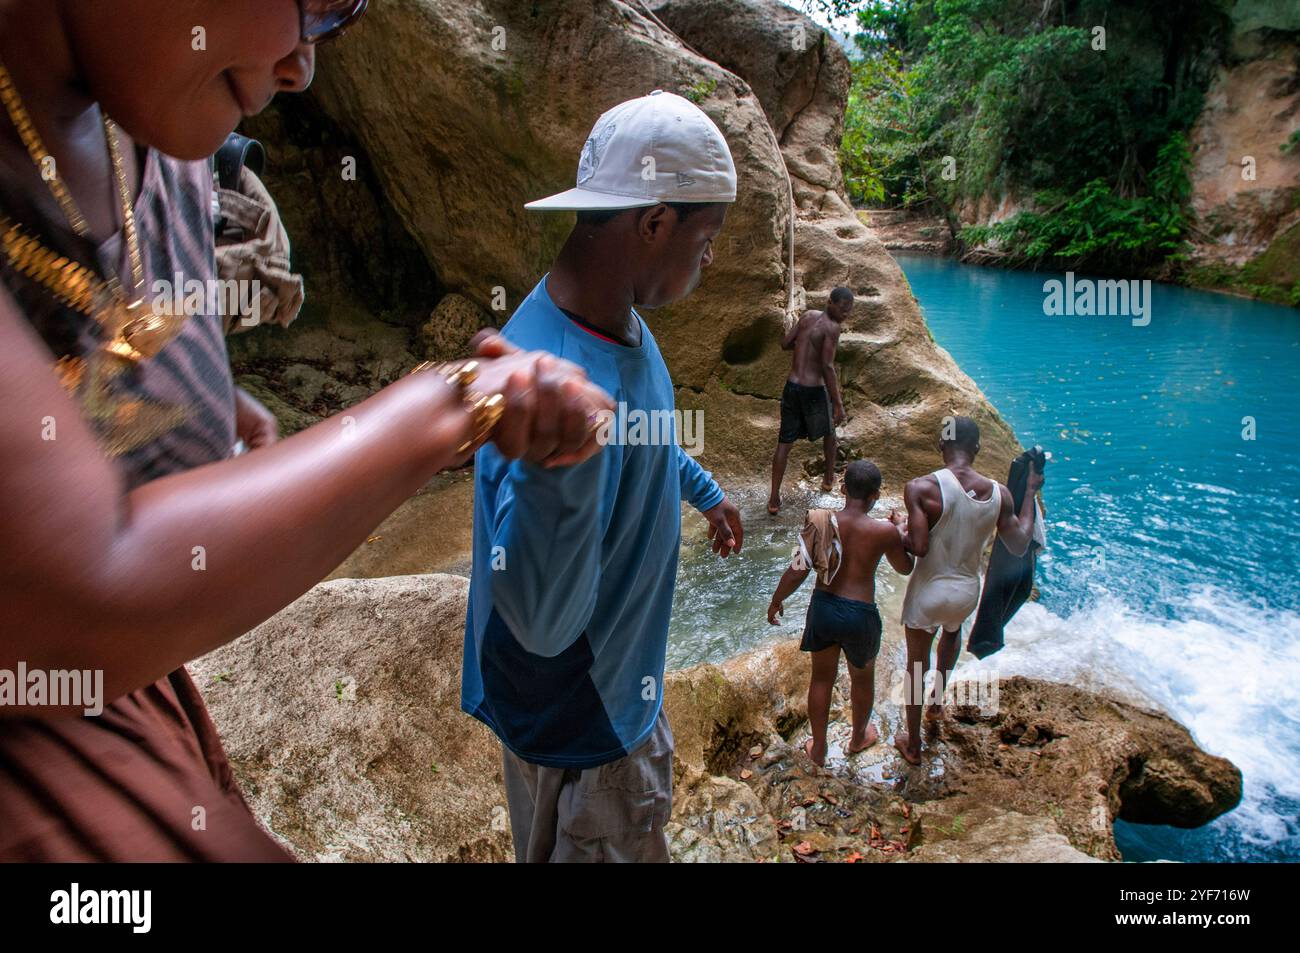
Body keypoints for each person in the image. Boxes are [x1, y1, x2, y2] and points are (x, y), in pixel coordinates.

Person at [0, 0, 611, 861]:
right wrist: (454, 401)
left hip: (136, 700)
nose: (303, 67)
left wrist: (205, 407)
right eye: (317, 4)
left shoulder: (151, 128)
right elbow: (80, 586)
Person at [462, 90, 745, 863]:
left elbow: (644, 439)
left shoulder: (612, 320)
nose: (709, 257)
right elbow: (542, 617)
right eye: (706, 236)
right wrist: (567, 469)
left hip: (582, 694)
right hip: (589, 713)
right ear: (653, 224)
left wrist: (703, 492)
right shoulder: (554, 388)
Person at [892, 416, 1043, 765]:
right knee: (952, 632)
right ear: (976, 448)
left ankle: (912, 744)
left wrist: (900, 526)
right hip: (966, 593)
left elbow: (918, 548)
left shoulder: (921, 488)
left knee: (916, 666)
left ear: (941, 446)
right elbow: (1020, 542)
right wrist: (1031, 493)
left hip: (928, 590)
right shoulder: (1000, 494)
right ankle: (937, 704)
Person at [766, 460, 913, 767]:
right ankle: (858, 737)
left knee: (821, 679)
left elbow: (798, 569)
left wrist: (777, 599)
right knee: (862, 679)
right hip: (861, 613)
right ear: (875, 495)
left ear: (843, 489)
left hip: (824, 608)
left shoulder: (819, 520)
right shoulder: (883, 531)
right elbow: (905, 568)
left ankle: (818, 749)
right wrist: (899, 531)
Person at [767, 287, 852, 514]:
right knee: (830, 433)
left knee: (785, 443)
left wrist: (802, 344)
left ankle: (774, 499)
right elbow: (827, 366)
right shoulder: (832, 328)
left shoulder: (806, 317)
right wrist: (838, 403)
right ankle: (828, 479)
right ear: (830, 302)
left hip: (791, 387)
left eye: (848, 312)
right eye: (843, 309)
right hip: (813, 390)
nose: (845, 315)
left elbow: (785, 344)